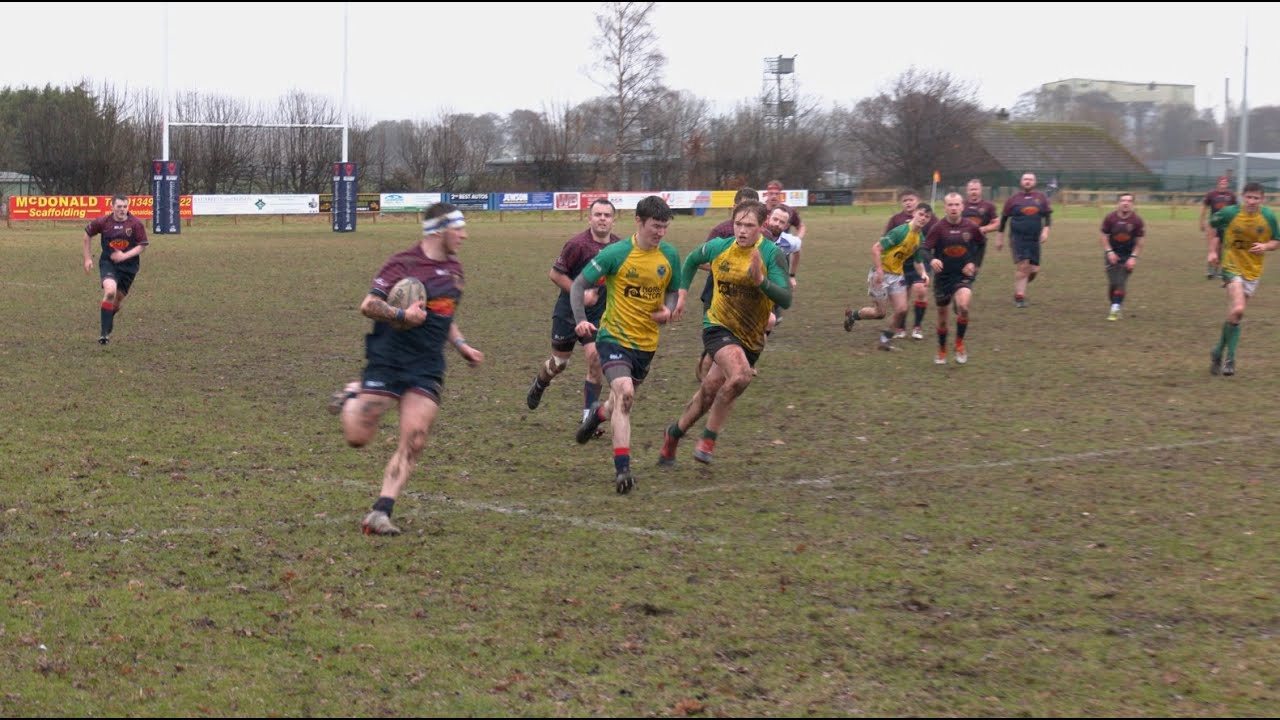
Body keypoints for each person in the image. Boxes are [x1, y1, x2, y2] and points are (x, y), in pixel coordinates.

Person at [328, 203, 485, 536]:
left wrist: (462, 347)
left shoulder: (455, 272)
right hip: (389, 357)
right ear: (440, 229)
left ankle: (381, 511)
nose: (464, 235)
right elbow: (368, 305)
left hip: (427, 364)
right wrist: (403, 316)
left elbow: (446, 315)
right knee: (357, 437)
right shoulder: (403, 263)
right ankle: (355, 392)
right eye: (459, 229)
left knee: (415, 439)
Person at [659, 200, 791, 465]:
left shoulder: (771, 255)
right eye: (738, 224)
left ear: (762, 226)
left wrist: (761, 282)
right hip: (718, 326)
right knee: (741, 376)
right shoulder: (720, 247)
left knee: (709, 392)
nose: (742, 231)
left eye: (749, 225)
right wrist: (682, 293)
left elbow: (786, 299)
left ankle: (673, 434)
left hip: (751, 337)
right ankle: (708, 439)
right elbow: (693, 259)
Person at [571, 195, 682, 494]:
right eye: (655, 227)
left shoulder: (669, 256)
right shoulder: (616, 254)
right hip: (614, 337)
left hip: (646, 344)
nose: (660, 233)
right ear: (639, 221)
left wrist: (668, 310)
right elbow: (579, 284)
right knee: (626, 393)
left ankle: (597, 414)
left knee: (618, 402)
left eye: (664, 227)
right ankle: (623, 471)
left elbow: (672, 292)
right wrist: (581, 319)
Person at [525, 198, 622, 423]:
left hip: (598, 315)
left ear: (613, 220)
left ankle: (589, 416)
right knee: (559, 363)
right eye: (597, 214)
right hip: (569, 312)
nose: (602, 219)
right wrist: (580, 294)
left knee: (595, 358)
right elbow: (555, 274)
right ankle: (540, 382)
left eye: (607, 215)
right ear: (589, 218)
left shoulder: (619, 247)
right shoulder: (577, 245)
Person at [1206, 182, 1279, 376]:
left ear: (1262, 199)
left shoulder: (1269, 216)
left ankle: (1217, 352)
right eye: (1249, 197)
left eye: (1256, 198)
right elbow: (1212, 226)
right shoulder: (1230, 213)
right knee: (1238, 308)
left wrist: (1266, 247)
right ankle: (1231, 357)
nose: (1252, 201)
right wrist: (1212, 251)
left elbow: (1276, 241)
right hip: (1231, 266)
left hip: (1253, 270)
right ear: (1242, 196)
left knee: (1235, 315)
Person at [843, 203, 931, 352]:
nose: (923, 218)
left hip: (897, 275)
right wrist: (879, 271)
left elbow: (917, 261)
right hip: (880, 274)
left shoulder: (920, 237)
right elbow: (876, 248)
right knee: (880, 313)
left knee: (902, 309)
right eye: (921, 214)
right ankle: (853, 315)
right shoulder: (901, 231)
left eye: (927, 216)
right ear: (915, 213)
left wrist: (923, 273)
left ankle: (885, 341)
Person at [696, 188, 763, 381]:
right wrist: (727, 269)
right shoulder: (721, 231)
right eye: (742, 207)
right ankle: (704, 387)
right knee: (714, 347)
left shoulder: (763, 234)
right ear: (733, 207)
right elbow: (700, 260)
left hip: (746, 296)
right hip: (716, 293)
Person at [82, 194, 148, 345]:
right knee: (110, 291)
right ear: (112, 207)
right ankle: (104, 334)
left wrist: (124, 256)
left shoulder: (135, 224)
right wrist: (87, 258)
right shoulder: (103, 221)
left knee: (117, 302)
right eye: (119, 206)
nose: (122, 210)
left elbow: (142, 246)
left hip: (129, 267)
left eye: (125, 206)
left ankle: (109, 316)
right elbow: (87, 235)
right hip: (109, 263)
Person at [925, 193, 982, 364]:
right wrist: (932, 259)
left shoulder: (971, 226)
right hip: (943, 277)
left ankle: (959, 345)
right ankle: (942, 350)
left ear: (962, 206)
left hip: (963, 275)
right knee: (942, 319)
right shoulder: (938, 227)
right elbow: (925, 249)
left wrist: (974, 263)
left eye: (957, 204)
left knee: (963, 305)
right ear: (945, 207)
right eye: (950, 205)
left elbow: (981, 244)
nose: (954, 208)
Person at [996, 172, 1052, 308]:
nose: (1028, 181)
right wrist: (1000, 237)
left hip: (1034, 239)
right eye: (1025, 179)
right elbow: (1003, 220)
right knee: (1023, 266)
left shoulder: (1041, 198)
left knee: (1034, 270)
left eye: (1030, 179)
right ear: (1021, 182)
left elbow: (1048, 217)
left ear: (1035, 182)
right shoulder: (1013, 199)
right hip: (1018, 238)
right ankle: (1019, 297)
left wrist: (1045, 230)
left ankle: (1022, 281)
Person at [882, 190, 931, 339]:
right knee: (903, 301)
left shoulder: (928, 217)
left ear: (917, 202)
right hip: (900, 265)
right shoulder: (896, 220)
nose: (908, 202)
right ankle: (900, 328)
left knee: (920, 290)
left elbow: (935, 236)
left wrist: (931, 258)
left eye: (911, 199)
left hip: (918, 261)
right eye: (905, 200)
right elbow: (884, 240)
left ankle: (917, 327)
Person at [1099, 193, 1146, 321]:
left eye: (1129, 201)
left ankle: (1114, 309)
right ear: (1118, 203)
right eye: (1123, 200)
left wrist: (1133, 257)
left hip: (1128, 255)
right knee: (1113, 283)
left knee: (1121, 281)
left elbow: (1140, 240)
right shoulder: (1110, 218)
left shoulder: (1137, 221)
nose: (1126, 203)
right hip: (1112, 253)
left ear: (1133, 204)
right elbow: (1103, 236)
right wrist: (1109, 251)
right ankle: (1115, 304)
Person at [1200, 176, 1237, 279]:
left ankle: (1219, 270)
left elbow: (1235, 210)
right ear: (1218, 183)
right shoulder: (1211, 194)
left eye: (1225, 181)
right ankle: (1210, 270)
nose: (1223, 183)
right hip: (1214, 224)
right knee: (1213, 247)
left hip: (1226, 225)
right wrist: (1202, 221)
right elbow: (1204, 207)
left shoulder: (1231, 195)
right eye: (1222, 181)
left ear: (1227, 183)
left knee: (1221, 248)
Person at [961, 178, 1000, 275]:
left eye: (976, 189)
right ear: (967, 191)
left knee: (974, 271)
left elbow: (997, 224)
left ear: (981, 190)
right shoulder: (961, 205)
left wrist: (983, 229)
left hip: (979, 244)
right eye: (971, 189)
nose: (974, 192)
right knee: (962, 269)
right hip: (961, 242)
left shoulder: (988, 206)